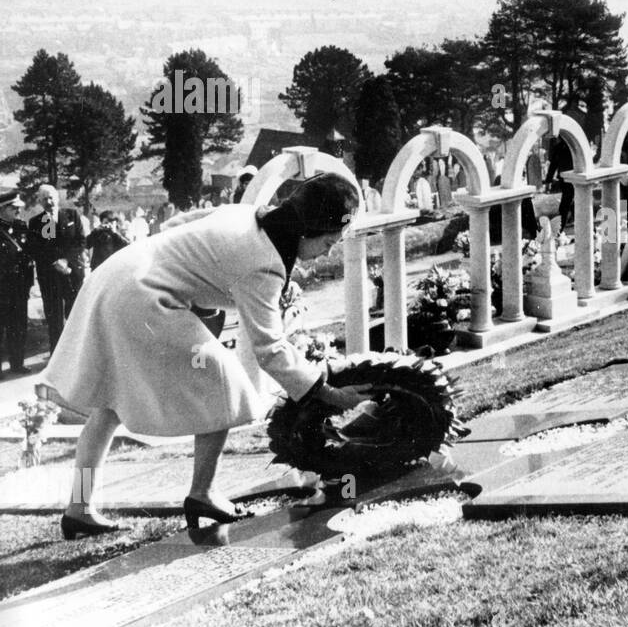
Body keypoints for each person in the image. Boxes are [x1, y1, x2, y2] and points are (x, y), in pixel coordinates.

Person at [47, 174, 372, 540]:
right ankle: (203, 494)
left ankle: (79, 508)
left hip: (116, 275)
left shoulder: (248, 214)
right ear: (307, 227)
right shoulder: (263, 265)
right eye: (329, 241)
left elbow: (176, 226)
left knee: (106, 406)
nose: (329, 251)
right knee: (225, 383)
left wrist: (191, 278)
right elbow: (270, 347)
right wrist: (325, 390)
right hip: (140, 296)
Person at [26, 184, 88, 351]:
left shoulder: (72, 215)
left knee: (75, 313)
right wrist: (55, 262)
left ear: (57, 198)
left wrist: (66, 260)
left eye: (51, 197)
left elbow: (80, 241)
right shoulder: (37, 222)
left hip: (72, 273)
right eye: (44, 198)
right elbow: (39, 249)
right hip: (50, 276)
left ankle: (78, 352)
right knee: (54, 317)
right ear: (40, 201)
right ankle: (57, 355)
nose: (49, 201)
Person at [0, 190, 34, 376]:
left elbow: (29, 253)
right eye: (14, 208)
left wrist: (28, 283)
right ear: (3, 209)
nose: (19, 212)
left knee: (19, 326)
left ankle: (17, 364)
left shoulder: (22, 227)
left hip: (20, 286)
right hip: (2, 287)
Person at [545, 138, 575, 229]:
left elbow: (553, 165)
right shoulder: (560, 147)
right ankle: (563, 226)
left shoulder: (572, 146)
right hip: (566, 179)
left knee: (566, 203)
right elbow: (553, 164)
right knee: (568, 202)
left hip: (574, 178)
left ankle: (561, 227)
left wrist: (548, 180)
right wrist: (548, 180)